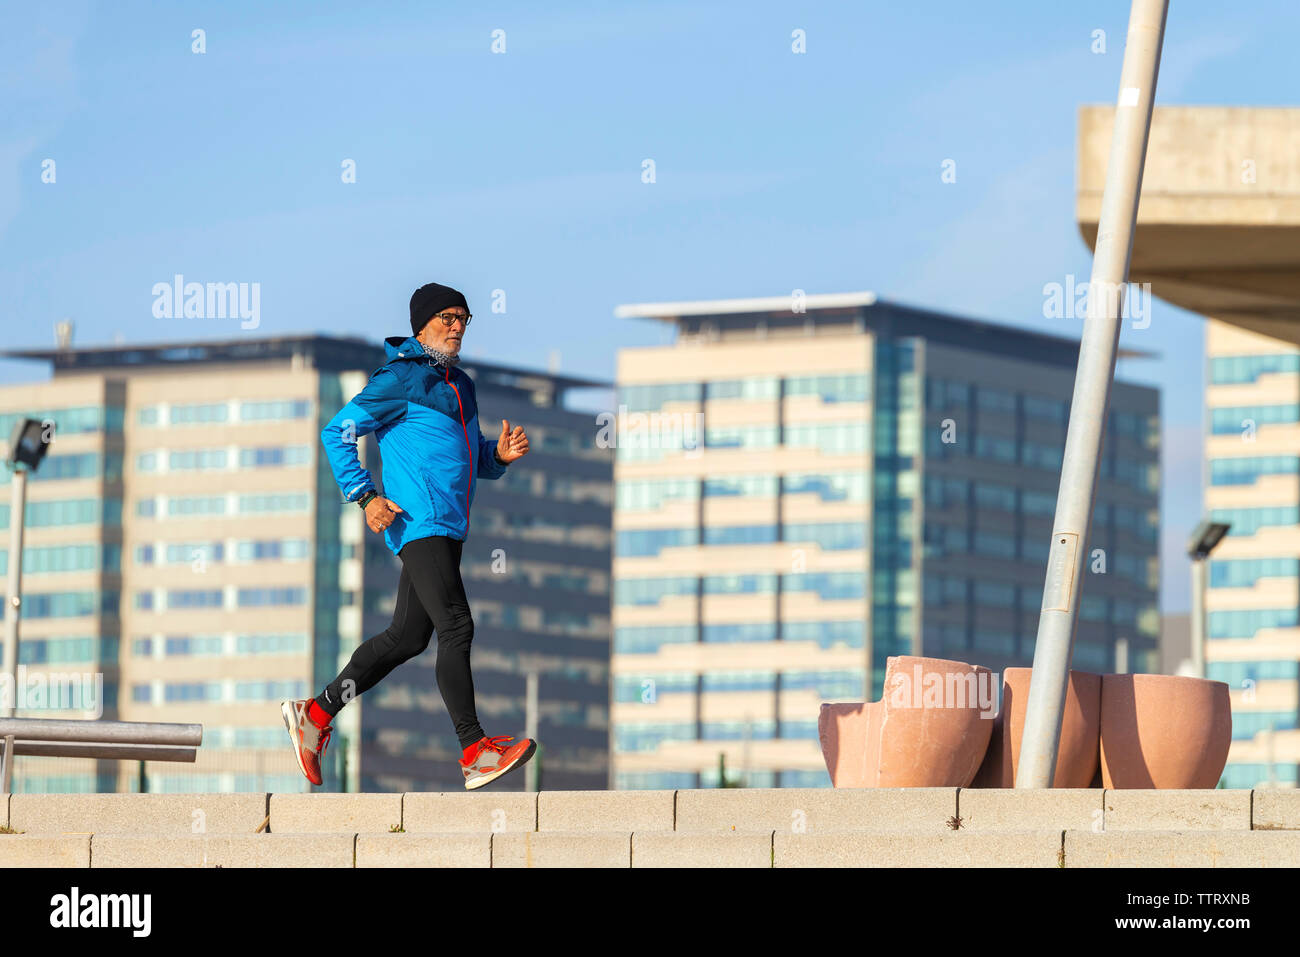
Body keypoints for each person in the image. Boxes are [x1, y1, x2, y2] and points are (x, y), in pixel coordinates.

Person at [281, 282, 535, 790]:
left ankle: (317, 712)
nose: (458, 326)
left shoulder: (461, 386)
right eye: (448, 317)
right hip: (419, 524)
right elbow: (338, 431)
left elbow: (463, 457)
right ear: (422, 323)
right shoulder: (398, 379)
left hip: (448, 525)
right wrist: (365, 496)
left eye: (464, 318)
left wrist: (497, 457)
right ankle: (475, 750)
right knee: (457, 627)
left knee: (407, 638)